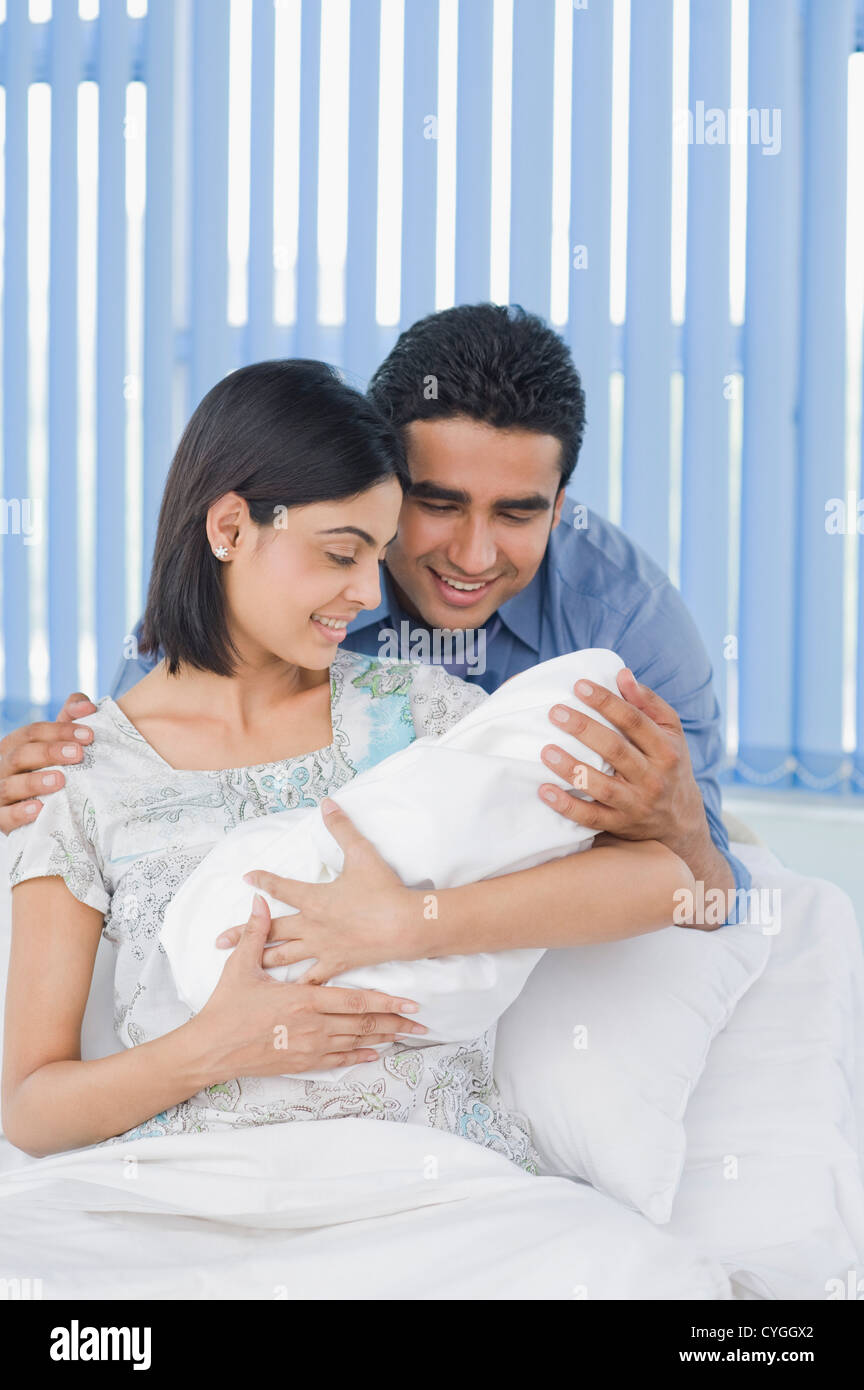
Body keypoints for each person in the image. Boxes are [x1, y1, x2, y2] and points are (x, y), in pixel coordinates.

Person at [1, 360, 690, 1161]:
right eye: (341, 554)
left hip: (432, 1184)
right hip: (191, 1183)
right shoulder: (79, 775)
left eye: (380, 554)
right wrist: (217, 1045)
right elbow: (29, 1106)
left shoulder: (419, 712)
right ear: (228, 529)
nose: (370, 593)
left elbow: (664, 882)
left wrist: (408, 924)